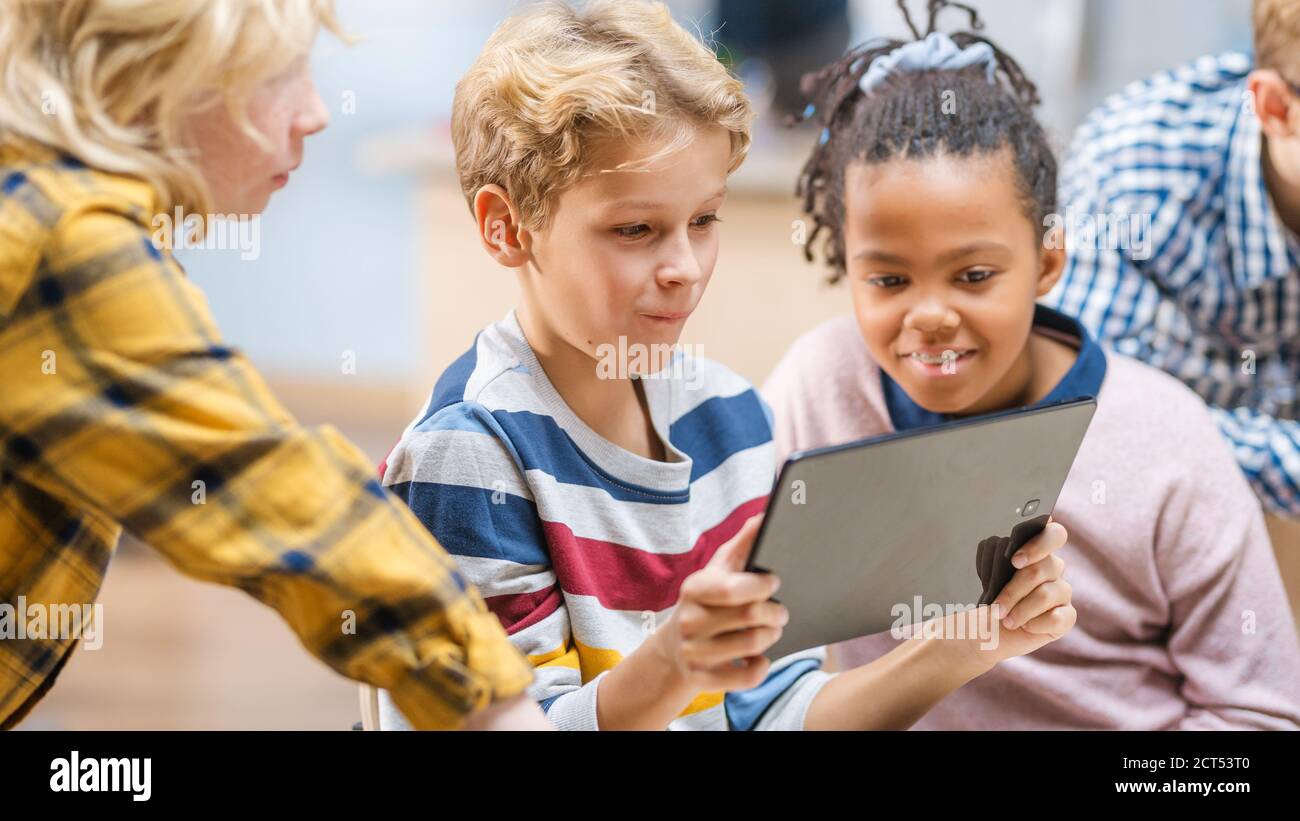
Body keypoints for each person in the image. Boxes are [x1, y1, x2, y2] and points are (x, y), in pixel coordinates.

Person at [377, 0, 1076, 731]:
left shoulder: (735, 416)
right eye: (635, 229)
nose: (683, 266)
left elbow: (774, 709)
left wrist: (971, 641)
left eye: (704, 220)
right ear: (506, 226)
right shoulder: (469, 457)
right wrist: (673, 664)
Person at [0, 0, 547, 730]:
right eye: (279, 73)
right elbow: (277, 491)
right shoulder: (59, 243)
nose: (316, 112)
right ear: (157, 78)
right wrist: (497, 701)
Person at [762, 0, 1300, 728]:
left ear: (1050, 260)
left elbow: (1262, 719)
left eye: (975, 276)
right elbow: (749, 689)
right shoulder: (817, 390)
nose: (930, 315)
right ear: (846, 264)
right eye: (888, 280)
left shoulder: (1168, 438)